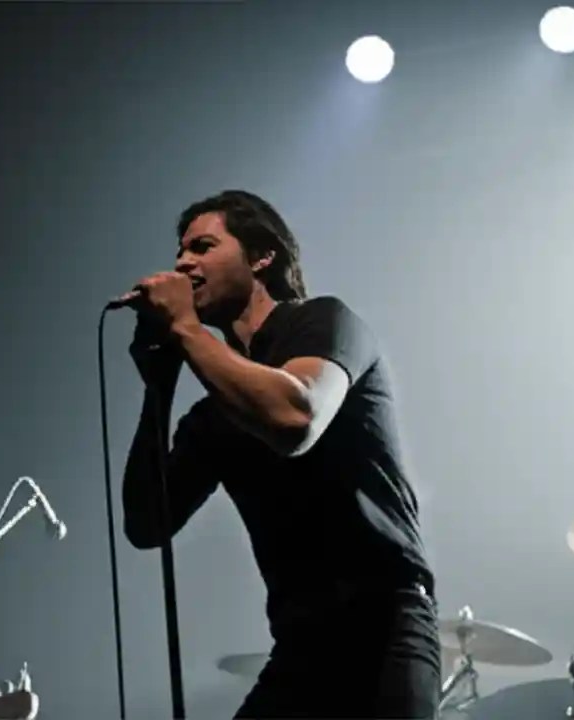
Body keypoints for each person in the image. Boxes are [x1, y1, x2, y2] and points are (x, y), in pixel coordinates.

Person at [121, 190, 441, 719]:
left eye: (202, 247)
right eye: (180, 252)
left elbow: (295, 418)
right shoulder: (215, 414)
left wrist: (186, 328)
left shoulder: (324, 322)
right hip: (300, 647)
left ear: (262, 256)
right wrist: (158, 388)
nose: (182, 264)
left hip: (383, 625)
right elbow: (147, 523)